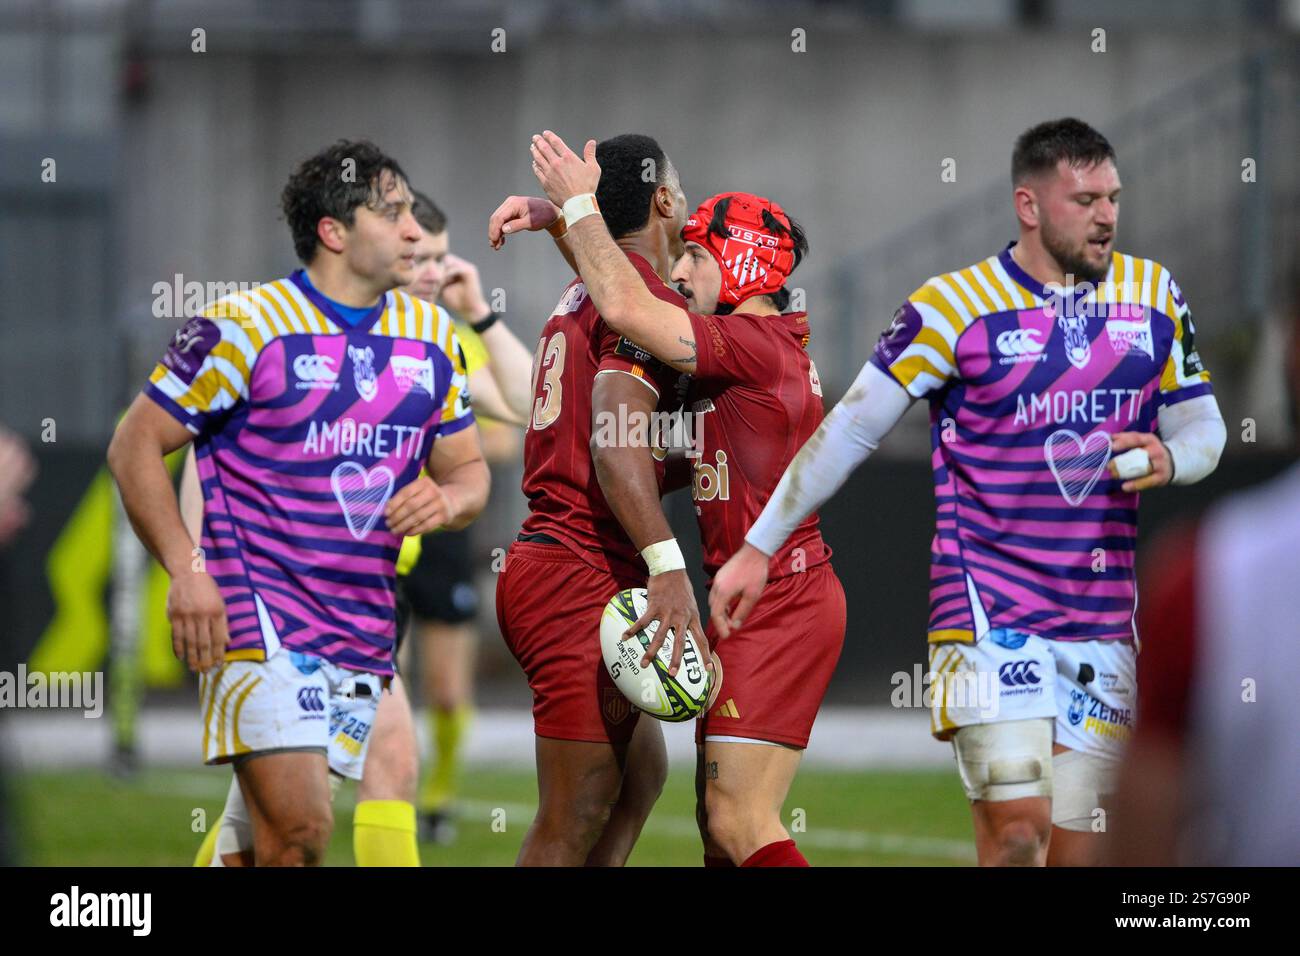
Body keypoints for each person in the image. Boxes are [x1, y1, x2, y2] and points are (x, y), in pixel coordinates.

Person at [709, 118, 1227, 866]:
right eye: (1084, 199)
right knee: (1019, 830)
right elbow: (851, 430)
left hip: (1103, 623)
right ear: (1028, 205)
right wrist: (758, 547)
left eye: (1113, 197)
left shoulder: (1154, 295)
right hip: (987, 612)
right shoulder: (951, 308)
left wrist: (1172, 459)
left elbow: (1206, 430)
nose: (1107, 215)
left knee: (1083, 852)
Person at [108, 139, 490, 866]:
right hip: (258, 619)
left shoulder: (434, 339)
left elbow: (469, 470)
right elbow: (133, 446)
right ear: (334, 232)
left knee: (258, 848)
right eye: (395, 213)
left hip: (365, 628)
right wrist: (188, 572)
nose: (417, 231)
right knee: (304, 834)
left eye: (412, 213)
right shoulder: (239, 327)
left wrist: (447, 501)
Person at [526, 133, 844, 867]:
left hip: (782, 600)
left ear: (743, 263)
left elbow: (631, 306)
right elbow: (624, 297)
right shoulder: (750, 344)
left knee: (738, 821)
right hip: (756, 593)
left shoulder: (748, 342)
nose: (684, 265)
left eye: (700, 253)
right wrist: (564, 228)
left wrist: (574, 208)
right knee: (715, 830)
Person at [488, 133, 707, 866]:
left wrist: (557, 218)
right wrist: (669, 565)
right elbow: (615, 447)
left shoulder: (593, 285)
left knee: (641, 775)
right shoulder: (643, 297)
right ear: (664, 199)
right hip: (575, 567)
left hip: (556, 560)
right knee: (571, 817)